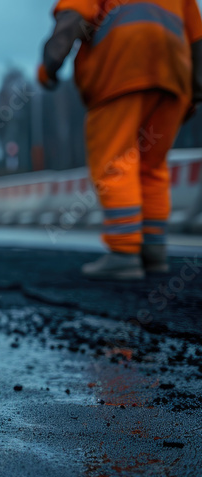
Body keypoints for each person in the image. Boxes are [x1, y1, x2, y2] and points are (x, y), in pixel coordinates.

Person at [38, 0, 202, 280]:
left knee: (115, 161)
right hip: (174, 73)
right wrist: (196, 89)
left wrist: (50, 65)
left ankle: (124, 253)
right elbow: (198, 40)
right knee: (152, 165)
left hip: (122, 68)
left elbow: (73, 17)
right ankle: (153, 251)